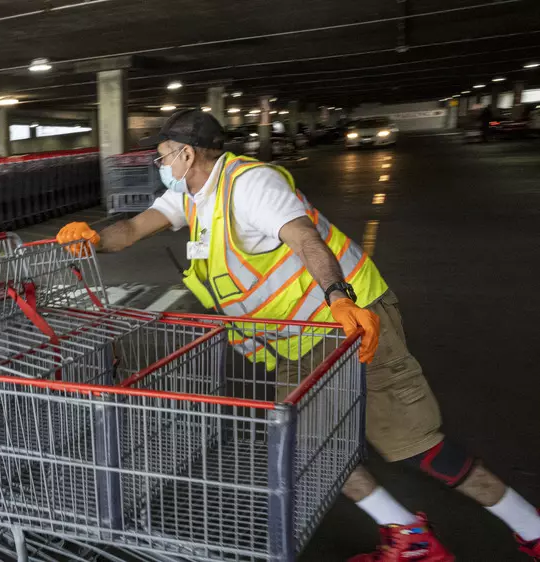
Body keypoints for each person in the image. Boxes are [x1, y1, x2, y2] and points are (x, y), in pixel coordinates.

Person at [56, 109, 540, 561]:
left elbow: (306, 237)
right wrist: (94, 237)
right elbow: (133, 229)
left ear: (186, 153)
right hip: (295, 340)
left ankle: (531, 528)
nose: (156, 162)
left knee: (413, 443)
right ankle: (409, 537)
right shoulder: (189, 195)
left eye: (160, 153)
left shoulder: (250, 185)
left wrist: (339, 297)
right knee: (308, 447)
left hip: (348, 321)